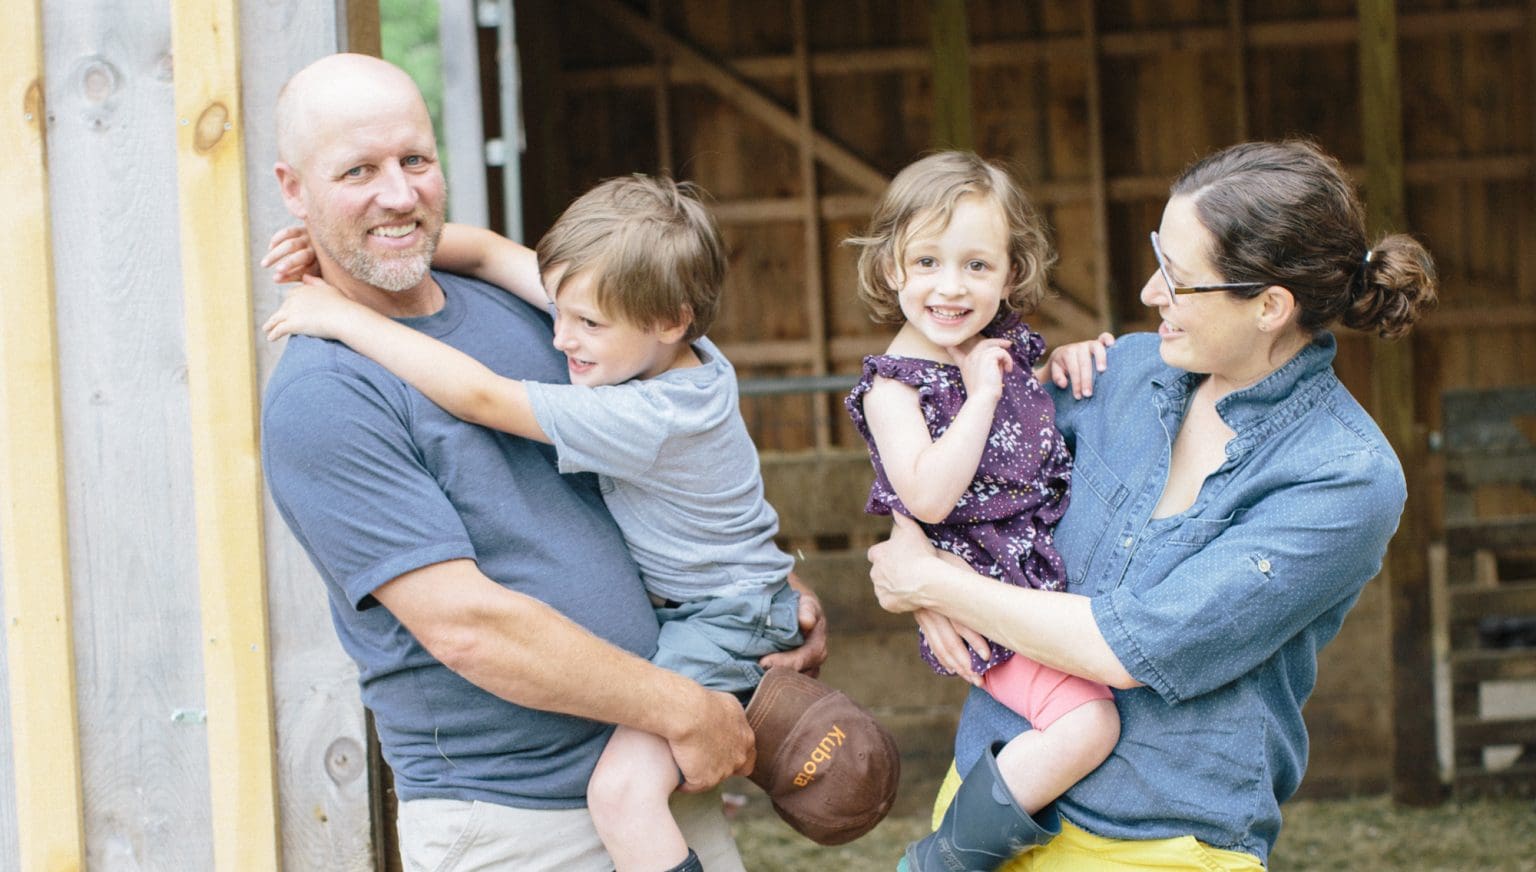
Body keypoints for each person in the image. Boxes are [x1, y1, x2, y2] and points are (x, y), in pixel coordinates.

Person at [258, 53, 825, 872]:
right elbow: (469, 628)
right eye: (357, 172)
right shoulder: (326, 390)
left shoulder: (551, 316)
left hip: (661, 775)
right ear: (293, 189)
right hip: (518, 821)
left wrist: (776, 590)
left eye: (415, 160)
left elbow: (656, 476)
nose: (397, 193)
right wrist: (687, 708)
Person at [867, 138, 1437, 870]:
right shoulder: (1120, 372)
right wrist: (915, 545)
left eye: (1177, 276)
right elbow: (961, 476)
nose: (1148, 292)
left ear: (1270, 305)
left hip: (1156, 842)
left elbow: (1131, 644)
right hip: (989, 795)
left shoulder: (1345, 477)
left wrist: (939, 586)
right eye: (1156, 256)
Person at [842, 151, 1120, 871]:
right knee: (1088, 723)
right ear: (890, 269)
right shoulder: (895, 391)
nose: (950, 286)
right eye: (927, 261)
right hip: (986, 599)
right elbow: (927, 495)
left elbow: (1037, 421)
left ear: (1011, 272)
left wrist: (1067, 361)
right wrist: (983, 395)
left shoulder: (1004, 351)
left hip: (1040, 580)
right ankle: (943, 861)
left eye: (976, 266)